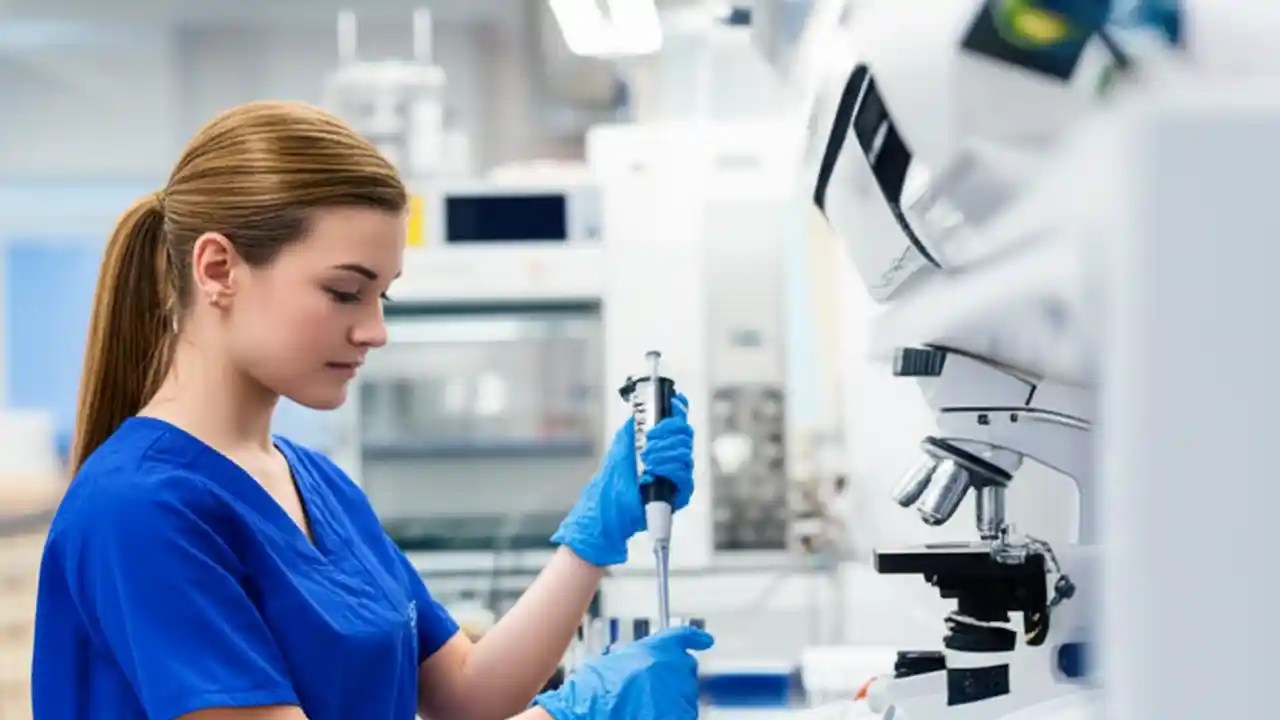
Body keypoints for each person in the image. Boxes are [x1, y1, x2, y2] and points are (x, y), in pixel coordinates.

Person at [31, 100, 712, 720]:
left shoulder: (314, 484)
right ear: (217, 269)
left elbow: (467, 694)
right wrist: (571, 718)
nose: (375, 331)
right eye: (343, 291)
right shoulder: (141, 509)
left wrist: (591, 541)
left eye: (382, 296)